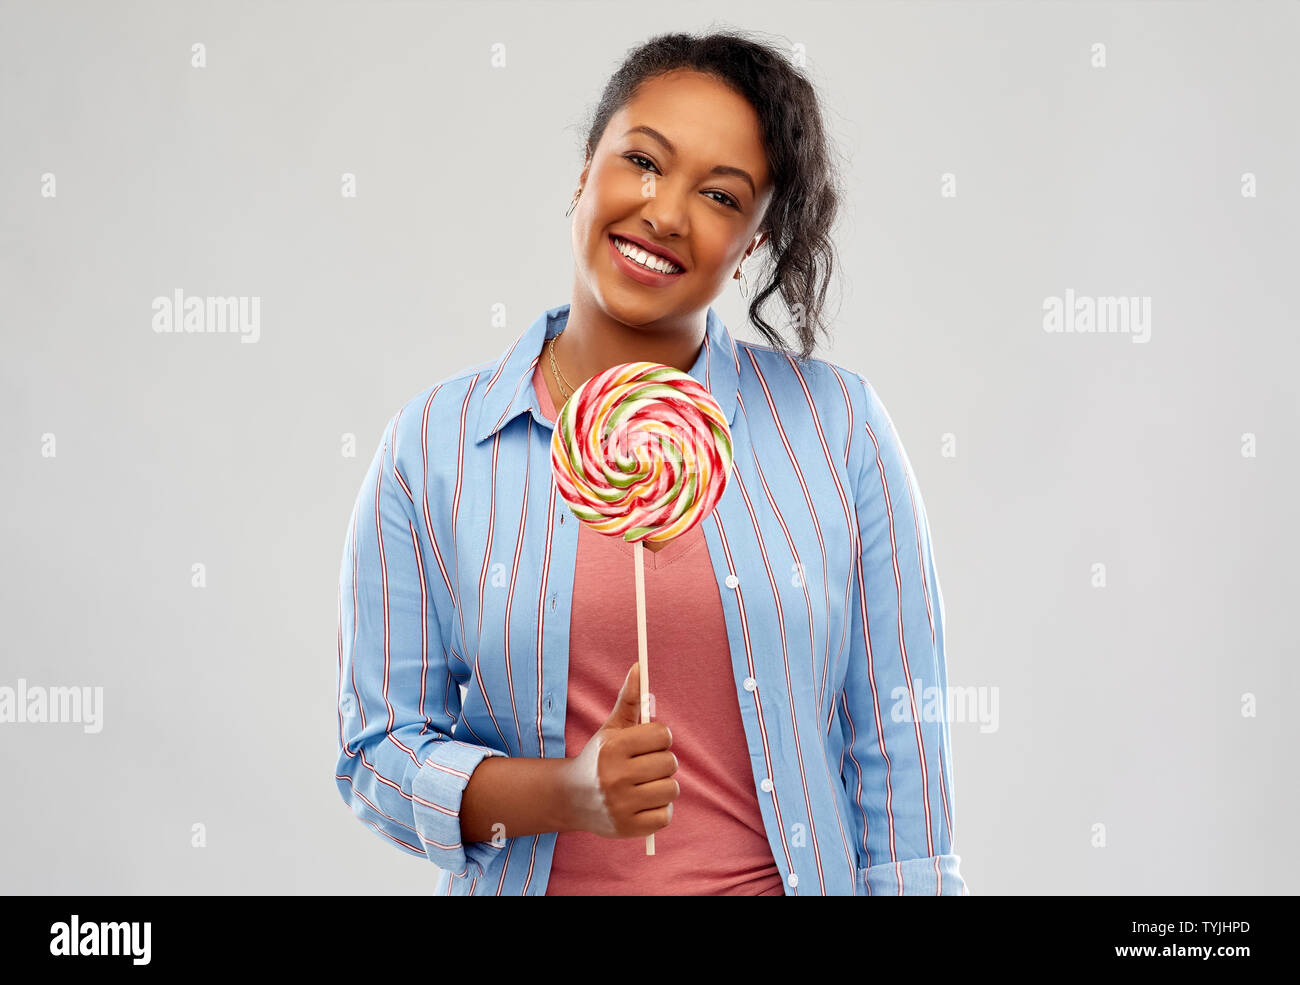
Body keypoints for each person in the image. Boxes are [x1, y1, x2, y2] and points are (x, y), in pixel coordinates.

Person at [335, 29, 969, 896]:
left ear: (752, 242)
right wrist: (565, 792)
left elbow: (898, 747)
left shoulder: (838, 427)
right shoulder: (434, 445)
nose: (666, 212)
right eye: (642, 160)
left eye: (719, 194)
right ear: (582, 173)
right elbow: (379, 753)